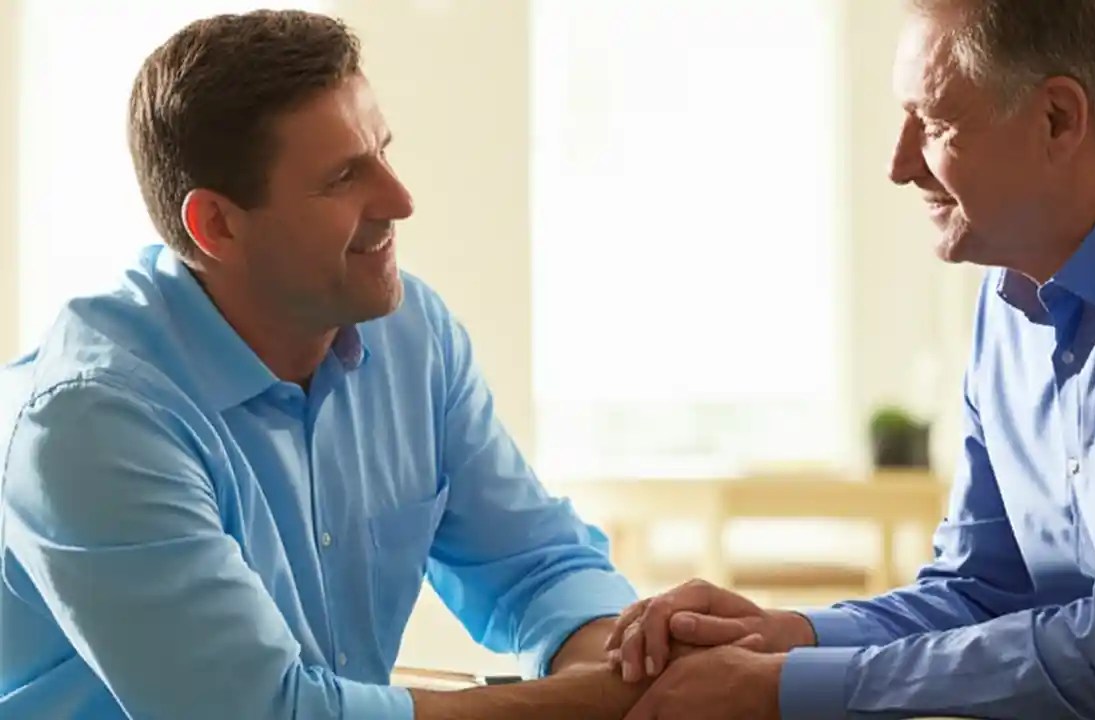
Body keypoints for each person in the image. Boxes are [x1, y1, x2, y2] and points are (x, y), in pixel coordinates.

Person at [606, 0, 1095, 718]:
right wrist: (783, 636)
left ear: (1057, 118)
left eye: (931, 125)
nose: (900, 167)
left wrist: (780, 688)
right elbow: (979, 592)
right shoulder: (1008, 298)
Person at [0, 10, 645, 720]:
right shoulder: (92, 422)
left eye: (384, 152)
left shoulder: (410, 335)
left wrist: (634, 660)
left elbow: (537, 567)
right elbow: (269, 715)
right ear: (215, 225)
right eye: (343, 178)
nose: (400, 201)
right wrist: (597, 700)